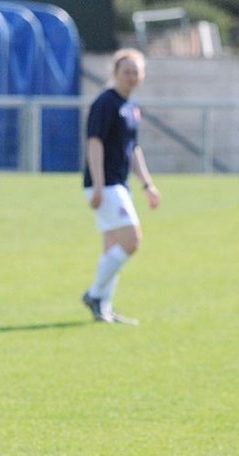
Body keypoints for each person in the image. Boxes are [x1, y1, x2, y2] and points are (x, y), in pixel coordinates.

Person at [81, 48, 161, 325]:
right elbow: (94, 142)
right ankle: (94, 294)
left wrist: (147, 184)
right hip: (106, 185)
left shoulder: (132, 107)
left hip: (120, 184)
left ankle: (104, 307)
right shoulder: (105, 103)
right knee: (132, 241)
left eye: (136, 71)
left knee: (112, 248)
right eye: (126, 71)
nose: (131, 76)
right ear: (115, 73)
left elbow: (132, 149)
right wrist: (99, 184)